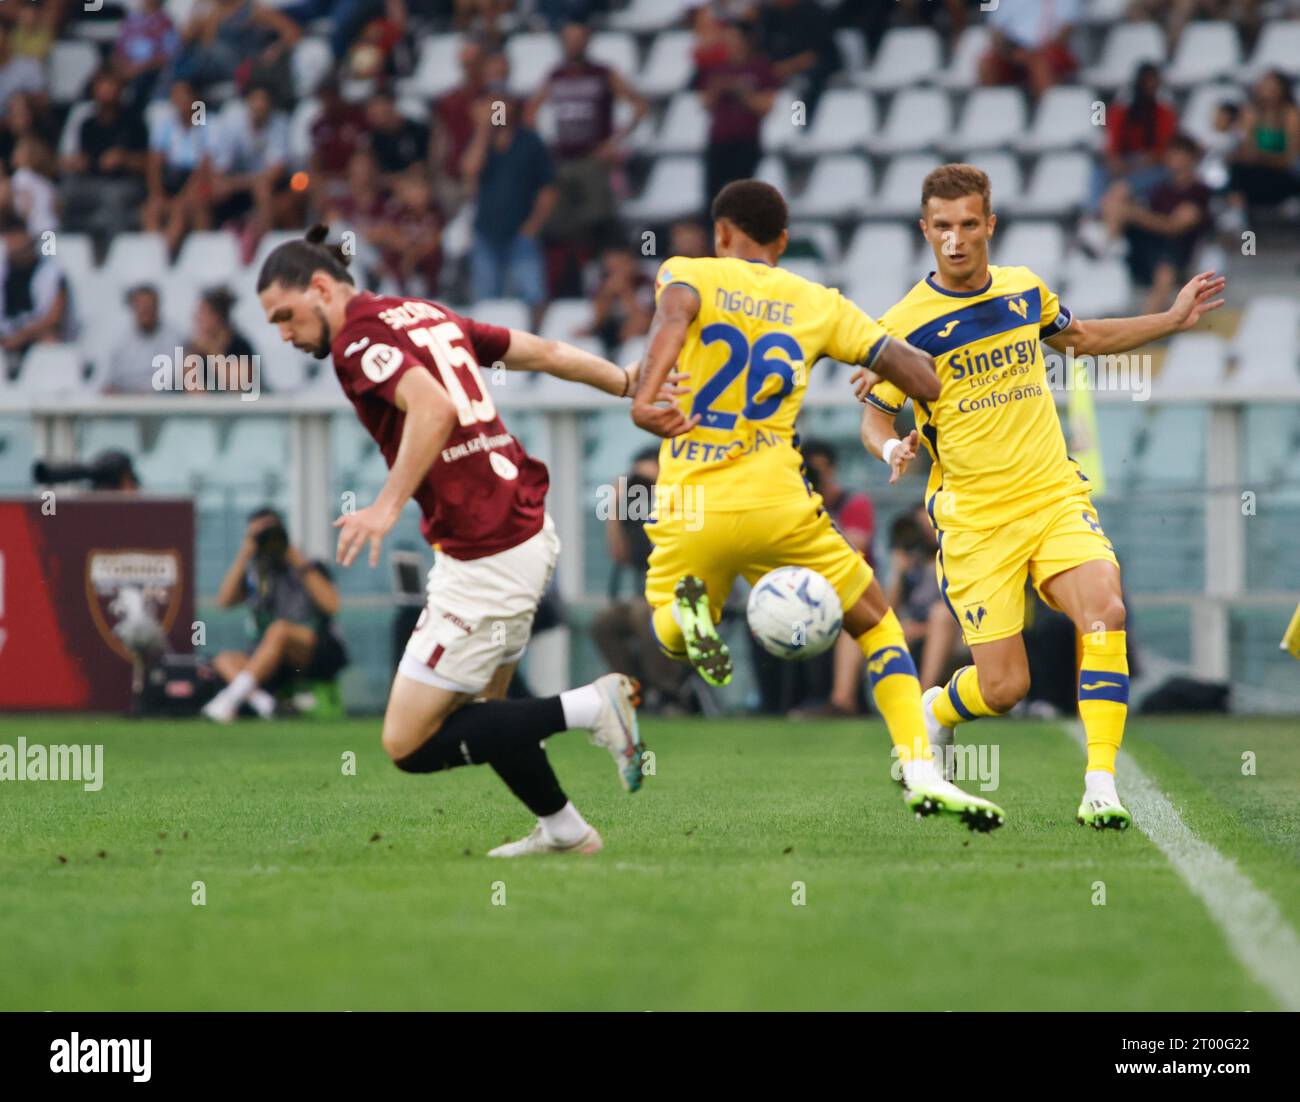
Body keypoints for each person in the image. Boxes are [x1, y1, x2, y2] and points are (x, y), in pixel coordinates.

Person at [254, 224, 681, 857]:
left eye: (285, 316)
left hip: (486, 551)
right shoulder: (419, 312)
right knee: (489, 708)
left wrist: (383, 507)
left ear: (321, 287)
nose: (284, 335)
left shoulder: (357, 339)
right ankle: (565, 830)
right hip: (521, 527)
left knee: (407, 742)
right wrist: (623, 382)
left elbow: (433, 409)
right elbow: (540, 351)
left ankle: (594, 706)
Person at [853, 163, 1225, 828]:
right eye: (943, 227)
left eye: (969, 224)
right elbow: (874, 416)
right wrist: (891, 448)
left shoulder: (1025, 292)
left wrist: (1170, 319)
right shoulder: (905, 324)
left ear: (990, 224)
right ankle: (937, 711)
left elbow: (1082, 340)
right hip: (974, 520)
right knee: (1005, 688)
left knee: (1105, 611)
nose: (957, 239)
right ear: (925, 230)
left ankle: (1101, 784)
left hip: (1052, 494)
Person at [631, 178, 1004, 829]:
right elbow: (924, 377)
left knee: (670, 633)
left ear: (722, 234)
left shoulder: (689, 271)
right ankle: (919, 768)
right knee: (877, 622)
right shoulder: (817, 302)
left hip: (692, 503)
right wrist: (882, 366)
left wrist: (648, 393)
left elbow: (674, 314)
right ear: (781, 240)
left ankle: (691, 619)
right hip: (778, 501)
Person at [204, 508, 348, 722]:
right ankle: (266, 705)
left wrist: (291, 553)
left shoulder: (310, 566)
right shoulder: (256, 573)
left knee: (279, 630)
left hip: (313, 651)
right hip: (268, 659)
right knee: (224, 660)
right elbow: (224, 601)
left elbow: (332, 605)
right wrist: (245, 553)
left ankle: (229, 700)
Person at [592, 448, 693, 714]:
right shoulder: (637, 517)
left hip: (686, 598)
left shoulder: (687, 503)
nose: (646, 488)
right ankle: (633, 691)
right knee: (604, 621)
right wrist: (615, 507)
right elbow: (620, 555)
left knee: (642, 613)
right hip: (647, 599)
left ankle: (668, 691)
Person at [461, 77, 556, 320]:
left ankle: (534, 349)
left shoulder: (529, 141)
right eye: (491, 103)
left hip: (521, 233)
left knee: (533, 297)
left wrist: (533, 225)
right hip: (486, 233)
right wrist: (483, 129)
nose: (497, 108)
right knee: (486, 302)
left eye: (501, 103)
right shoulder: (481, 142)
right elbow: (469, 170)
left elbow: (548, 189)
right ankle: (490, 354)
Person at [801, 438, 875, 716]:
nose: (815, 477)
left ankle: (842, 700)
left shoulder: (854, 503)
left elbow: (855, 549)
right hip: (810, 596)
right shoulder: (798, 506)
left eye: (820, 470)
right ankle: (785, 701)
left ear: (832, 469)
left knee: (850, 624)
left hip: (854, 590)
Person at [1106, 134, 1213, 314]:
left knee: (1165, 271)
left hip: (1177, 250)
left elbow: (1174, 227)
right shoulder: (1161, 189)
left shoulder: (1198, 192)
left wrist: (1136, 214)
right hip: (1149, 246)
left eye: (1178, 155)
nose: (1173, 160)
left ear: (1191, 159)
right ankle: (1108, 248)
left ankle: (1148, 325)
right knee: (1117, 196)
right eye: (1171, 155)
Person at [58, 70, 150, 240]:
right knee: (66, 192)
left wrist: (124, 159)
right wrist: (79, 163)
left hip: (125, 181)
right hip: (93, 181)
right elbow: (85, 159)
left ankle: (114, 251)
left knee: (113, 197)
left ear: (120, 90)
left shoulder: (134, 121)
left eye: (111, 86)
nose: (106, 91)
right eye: (102, 86)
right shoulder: (87, 124)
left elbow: (147, 162)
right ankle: (68, 245)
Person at [697, 22, 778, 208]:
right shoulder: (716, 69)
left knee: (742, 199)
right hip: (718, 140)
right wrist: (718, 89)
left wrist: (742, 92)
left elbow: (766, 106)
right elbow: (705, 104)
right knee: (712, 198)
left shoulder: (760, 68)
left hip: (746, 141)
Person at [884, 504, 959, 692]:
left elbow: (959, 614)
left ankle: (924, 697)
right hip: (917, 628)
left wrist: (920, 629)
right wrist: (898, 573)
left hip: (957, 632)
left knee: (940, 614)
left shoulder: (955, 556)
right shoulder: (911, 564)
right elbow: (886, 611)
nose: (927, 533)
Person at [1224, 70, 1300, 227]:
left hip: (1283, 175)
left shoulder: (1291, 115)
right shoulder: (1251, 113)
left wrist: (1261, 156)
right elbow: (1245, 149)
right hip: (1254, 174)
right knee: (1237, 170)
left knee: (1239, 173)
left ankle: (1238, 216)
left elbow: (1289, 158)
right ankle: (1240, 219)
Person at [0, 210, 71, 360]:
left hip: (36, 336)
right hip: (6, 334)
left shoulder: (52, 271)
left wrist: (20, 338)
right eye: (8, 234)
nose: (12, 240)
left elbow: (54, 318)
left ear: (29, 236)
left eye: (17, 234)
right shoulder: (3, 270)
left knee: (50, 340)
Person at [106, 284, 187, 394]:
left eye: (149, 306)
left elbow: (172, 379)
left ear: (157, 307)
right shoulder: (118, 339)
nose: (145, 311)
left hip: (164, 403)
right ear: (133, 307)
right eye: (141, 306)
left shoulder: (175, 338)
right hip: (125, 403)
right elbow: (109, 379)